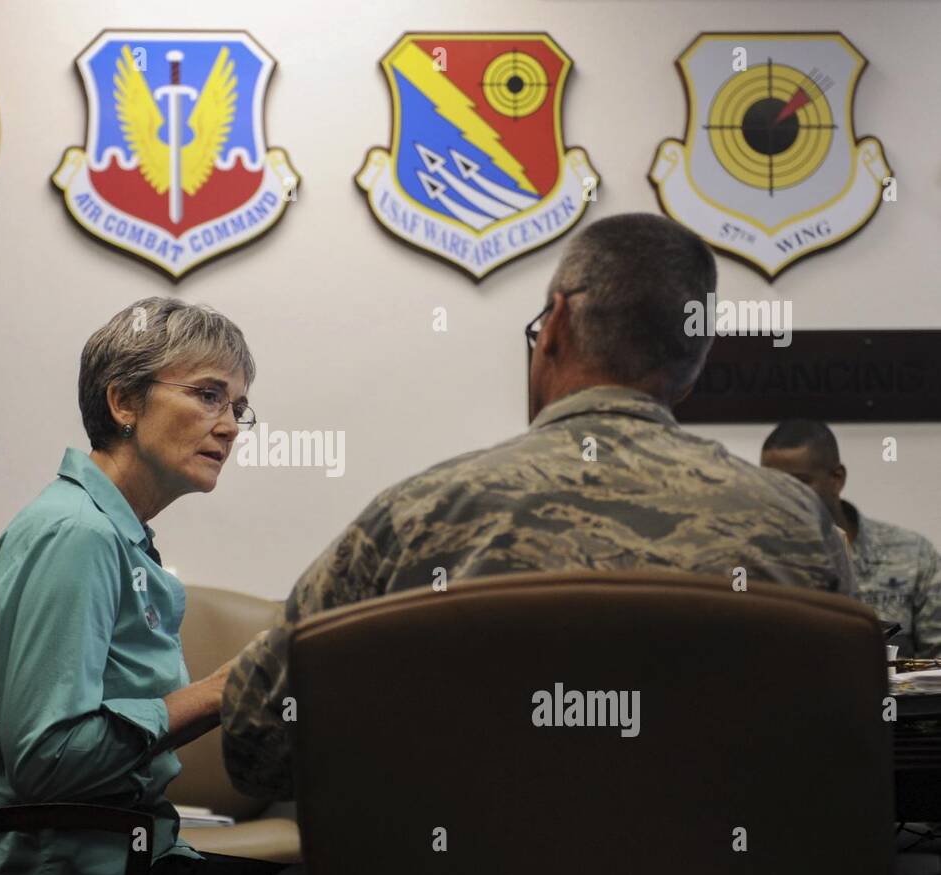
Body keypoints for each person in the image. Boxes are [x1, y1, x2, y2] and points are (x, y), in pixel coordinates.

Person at [221, 212, 855, 799]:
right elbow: (850, 747)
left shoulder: (416, 517)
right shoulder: (799, 526)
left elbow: (255, 741)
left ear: (552, 326)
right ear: (693, 367)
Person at [0, 297, 286, 875]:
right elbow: (47, 763)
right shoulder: (76, 534)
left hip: (112, 858)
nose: (231, 424)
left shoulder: (110, 529)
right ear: (124, 401)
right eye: (208, 395)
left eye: (237, 406)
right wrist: (219, 691)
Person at [761, 419, 941, 658]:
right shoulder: (757, 559)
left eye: (798, 483)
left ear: (837, 478)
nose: (782, 496)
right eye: (771, 484)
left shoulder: (912, 554)